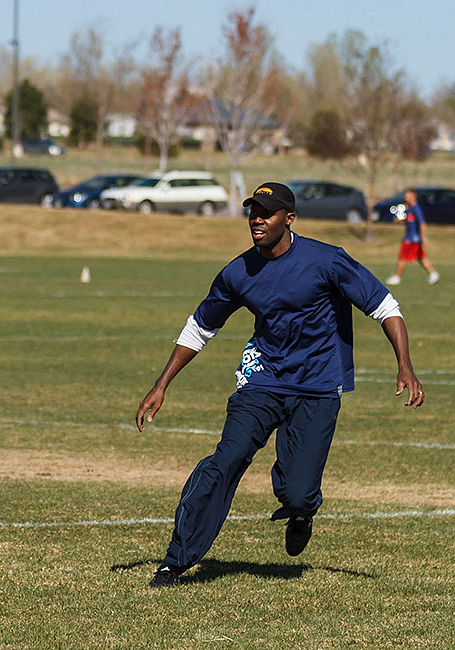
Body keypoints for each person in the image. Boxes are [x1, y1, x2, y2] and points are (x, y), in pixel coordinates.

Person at [136, 182, 425, 588]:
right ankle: (175, 561)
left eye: (267, 213)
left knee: (299, 492)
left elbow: (385, 307)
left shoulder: (327, 261)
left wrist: (405, 365)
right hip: (262, 380)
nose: (257, 219)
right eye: (253, 211)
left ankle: (302, 512)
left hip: (318, 386)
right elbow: (200, 327)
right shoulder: (238, 271)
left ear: (288, 219)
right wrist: (161, 384)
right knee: (227, 458)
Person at [385, 189, 440, 286]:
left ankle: (397, 277)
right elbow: (408, 220)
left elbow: (422, 224)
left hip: (412, 239)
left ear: (414, 197)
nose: (406, 198)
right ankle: (433, 273)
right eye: (405, 196)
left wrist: (424, 237)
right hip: (410, 238)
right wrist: (399, 219)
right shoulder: (409, 209)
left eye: (408, 196)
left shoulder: (416, 208)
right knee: (420, 258)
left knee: (403, 257)